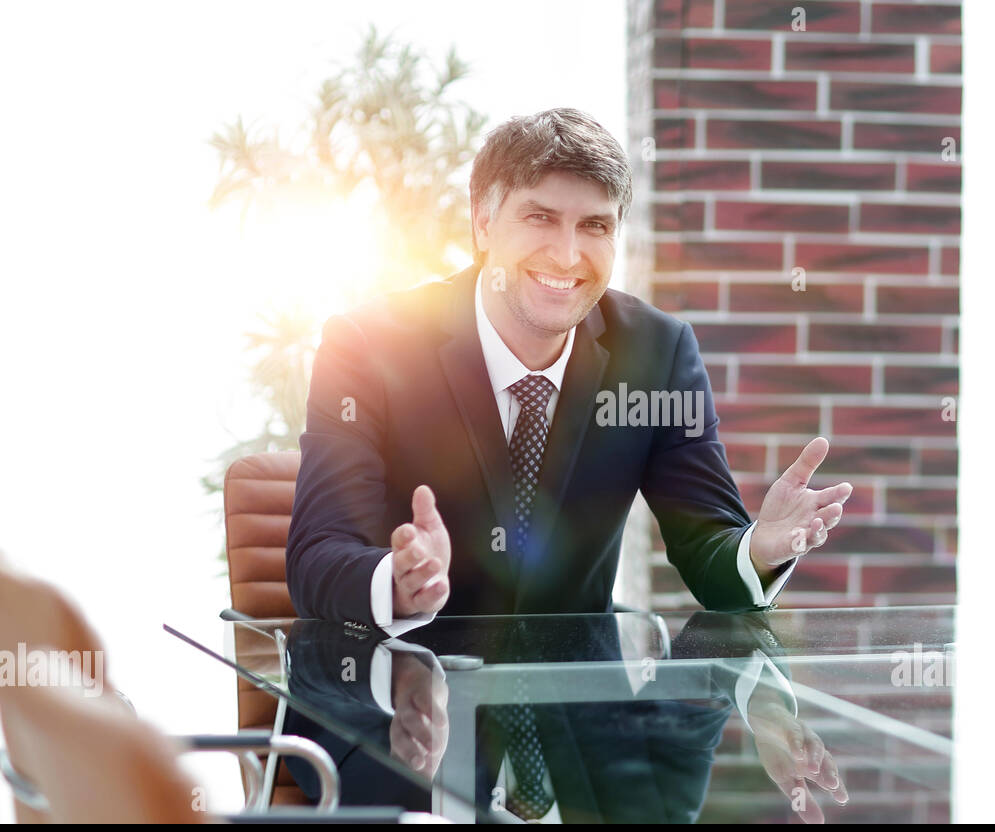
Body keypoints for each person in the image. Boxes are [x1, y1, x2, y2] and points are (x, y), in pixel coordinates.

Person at [286, 107, 853, 629]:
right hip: (402, 703)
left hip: (575, 718)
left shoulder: (657, 354)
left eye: (595, 226)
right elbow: (318, 555)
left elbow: (709, 556)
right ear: (483, 223)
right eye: (540, 217)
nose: (566, 255)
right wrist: (400, 583)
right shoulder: (366, 345)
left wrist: (756, 550)